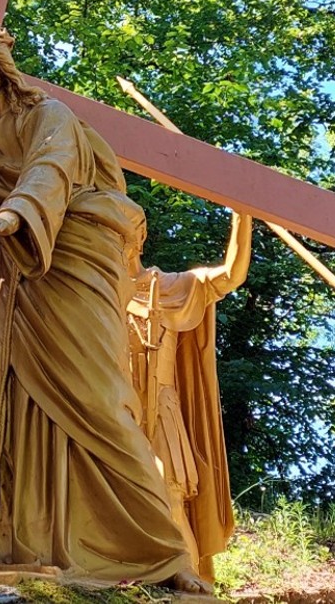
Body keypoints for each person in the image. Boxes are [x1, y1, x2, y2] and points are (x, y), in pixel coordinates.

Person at [0, 21, 204, 592]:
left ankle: (167, 552)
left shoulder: (47, 116)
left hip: (71, 267)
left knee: (98, 403)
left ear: (1, 64)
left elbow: (47, 173)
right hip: (11, 281)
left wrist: (14, 217)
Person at [127, 210, 251, 583]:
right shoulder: (95, 295)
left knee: (169, 492)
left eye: (124, 228)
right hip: (114, 410)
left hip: (162, 410)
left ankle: (189, 580)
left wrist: (243, 215)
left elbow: (230, 275)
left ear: (140, 237)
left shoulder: (168, 287)